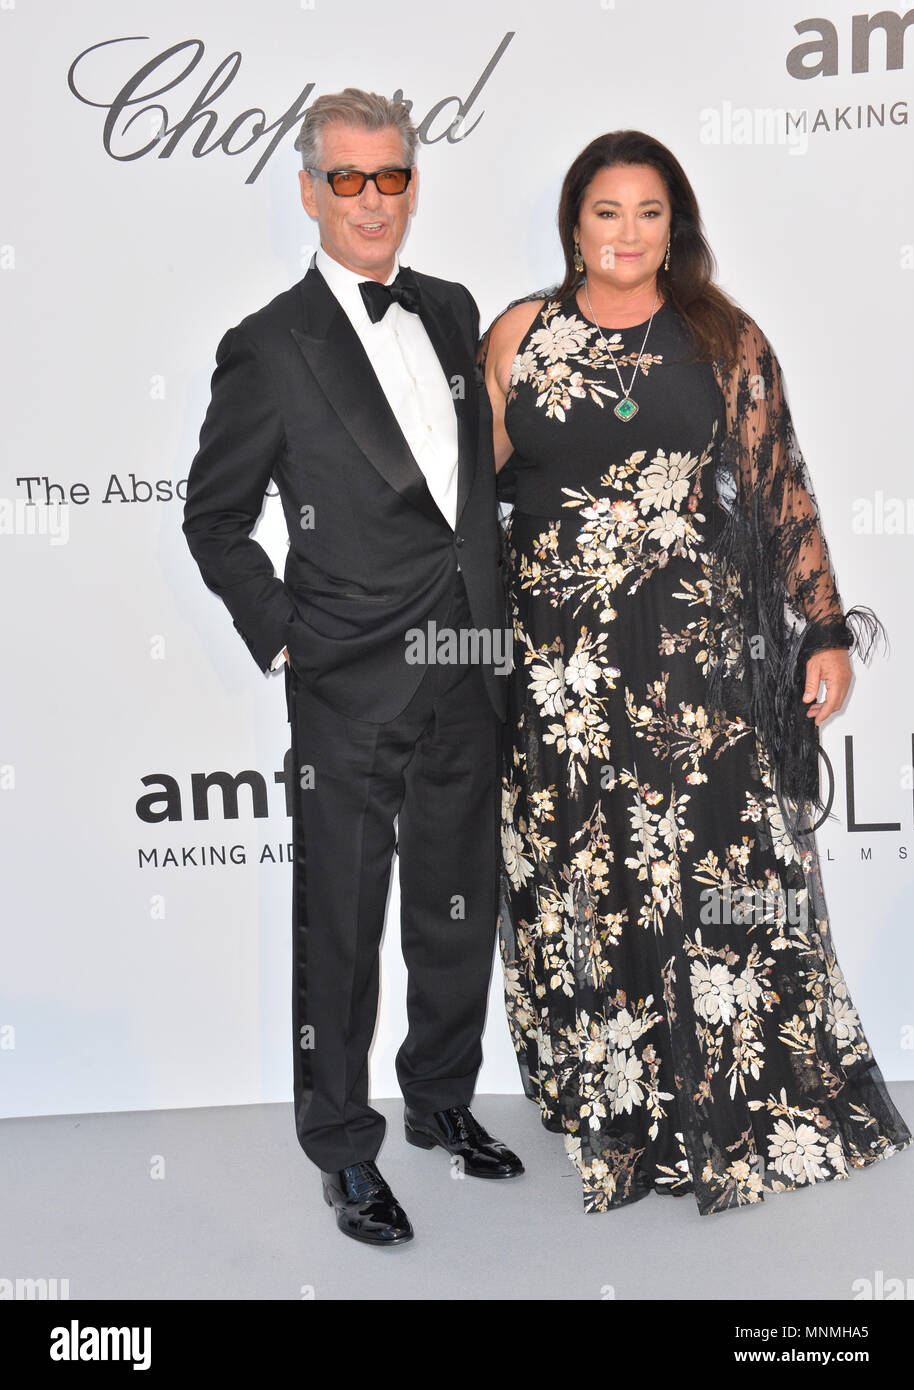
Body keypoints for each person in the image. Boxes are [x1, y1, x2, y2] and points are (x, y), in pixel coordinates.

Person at [481, 130, 913, 1215]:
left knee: (712, 873)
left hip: (696, 667)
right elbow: (467, 496)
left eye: (649, 212)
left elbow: (780, 487)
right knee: (586, 882)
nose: (627, 233)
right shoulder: (519, 335)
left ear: (676, 227)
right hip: (560, 673)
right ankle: (615, 1107)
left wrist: (820, 627)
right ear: (574, 223)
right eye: (606, 212)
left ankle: (725, 1098)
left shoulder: (721, 336)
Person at [183, 88, 523, 1248]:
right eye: (348, 180)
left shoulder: (451, 307)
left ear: (413, 184)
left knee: (451, 910)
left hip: (468, 664)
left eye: (391, 178)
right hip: (346, 683)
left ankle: (439, 1103)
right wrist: (289, 633)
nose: (372, 201)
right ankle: (342, 1147)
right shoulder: (269, 345)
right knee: (339, 928)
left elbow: (468, 493)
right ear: (309, 191)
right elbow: (215, 519)